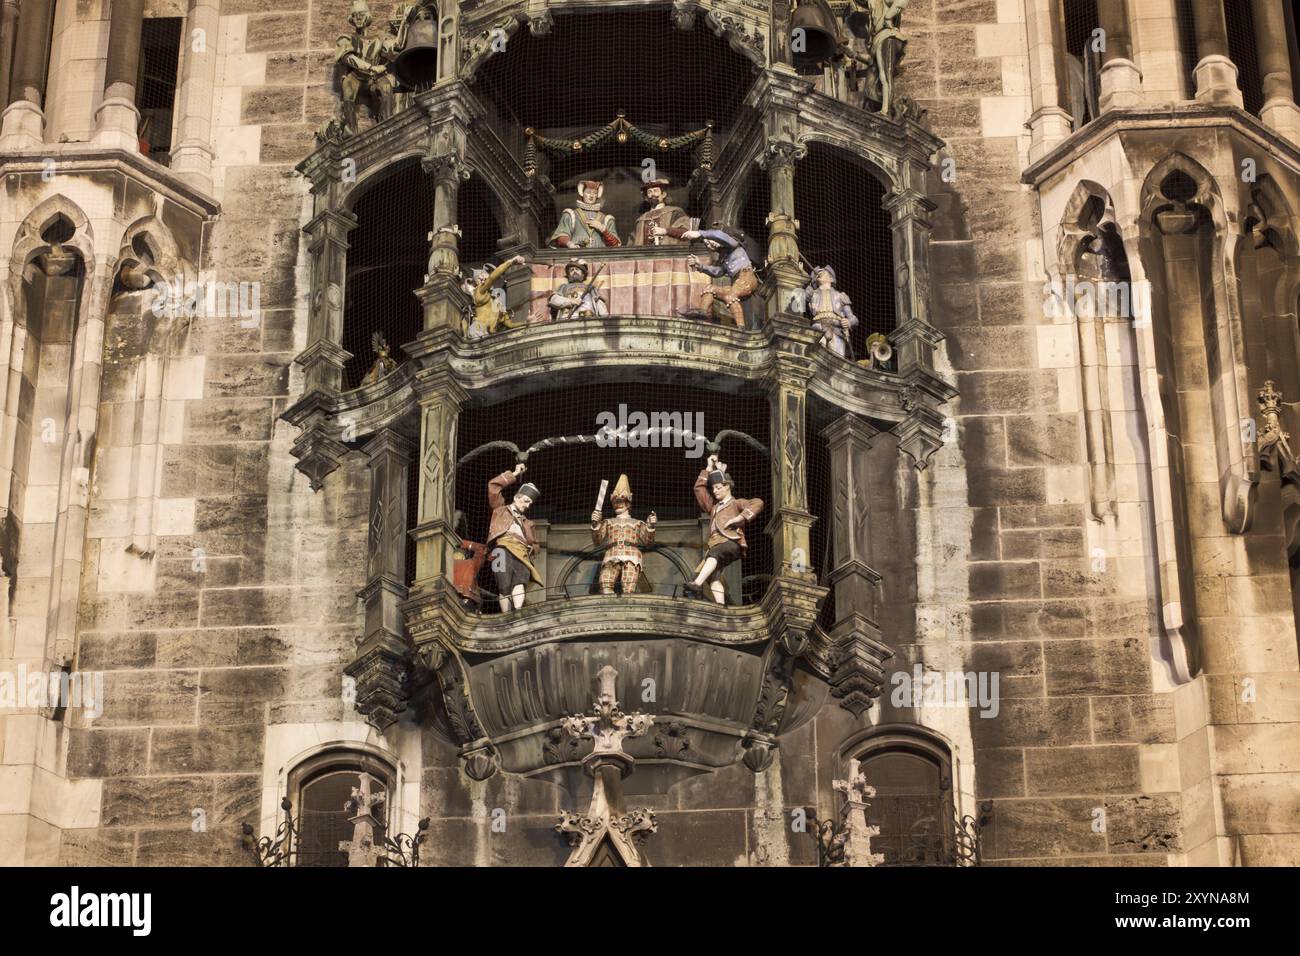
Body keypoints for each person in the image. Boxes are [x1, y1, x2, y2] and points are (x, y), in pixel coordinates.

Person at [685, 455, 763, 604]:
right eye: (713, 488)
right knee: (713, 576)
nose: (715, 491)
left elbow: (758, 503)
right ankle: (720, 606)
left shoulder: (736, 503)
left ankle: (696, 584)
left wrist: (739, 518)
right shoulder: (713, 507)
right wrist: (708, 469)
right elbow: (699, 489)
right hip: (715, 543)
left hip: (730, 542)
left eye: (718, 487)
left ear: (727, 486)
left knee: (714, 554)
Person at [486, 464, 542, 612]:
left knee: (520, 581)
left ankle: (518, 611)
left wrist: (532, 549)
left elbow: (536, 545)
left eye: (530, 503)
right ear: (517, 497)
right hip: (501, 548)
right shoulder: (500, 509)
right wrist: (515, 473)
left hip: (521, 552)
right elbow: (493, 486)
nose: (528, 505)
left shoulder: (528, 524)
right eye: (526, 500)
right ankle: (506, 614)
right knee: (504, 583)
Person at [676, 226, 757, 328]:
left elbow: (719, 234)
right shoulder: (724, 257)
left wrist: (700, 233)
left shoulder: (734, 245)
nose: (710, 244)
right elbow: (718, 272)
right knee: (710, 289)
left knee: (730, 295)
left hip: (746, 278)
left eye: (712, 240)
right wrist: (700, 266)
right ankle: (702, 313)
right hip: (737, 281)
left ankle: (741, 327)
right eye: (707, 244)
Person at [590, 474, 657, 595]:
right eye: (615, 501)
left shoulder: (637, 523)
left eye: (621, 501)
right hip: (612, 554)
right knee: (605, 583)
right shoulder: (608, 522)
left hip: (631, 556)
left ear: (628, 503)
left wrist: (651, 526)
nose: (618, 504)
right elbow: (597, 541)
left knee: (629, 587)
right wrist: (595, 524)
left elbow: (648, 542)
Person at [795, 265, 858, 358]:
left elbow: (853, 318)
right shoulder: (813, 294)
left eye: (823, 273)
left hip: (837, 329)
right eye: (817, 274)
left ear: (831, 278)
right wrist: (809, 281)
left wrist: (848, 322)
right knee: (818, 355)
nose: (819, 274)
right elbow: (801, 296)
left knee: (838, 360)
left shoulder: (840, 296)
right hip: (818, 327)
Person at [465, 254, 525, 338]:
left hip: (489, 336)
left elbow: (510, 325)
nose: (482, 279)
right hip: (478, 330)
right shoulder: (479, 291)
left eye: (483, 275)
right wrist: (511, 262)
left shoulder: (497, 303)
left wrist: (528, 323)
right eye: (478, 278)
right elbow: (492, 277)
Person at [548, 180, 621, 248]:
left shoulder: (606, 219)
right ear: (582, 193)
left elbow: (615, 245)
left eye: (594, 193)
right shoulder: (571, 215)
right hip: (576, 255)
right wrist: (569, 243)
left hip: (599, 256)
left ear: (597, 195)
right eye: (588, 192)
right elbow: (560, 236)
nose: (591, 196)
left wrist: (603, 229)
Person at [633, 179, 692, 246]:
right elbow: (632, 242)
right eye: (649, 192)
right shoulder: (640, 220)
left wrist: (665, 231)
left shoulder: (675, 212)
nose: (653, 194)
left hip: (668, 254)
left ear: (663, 194)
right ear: (646, 197)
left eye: (656, 191)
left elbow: (686, 232)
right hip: (644, 255)